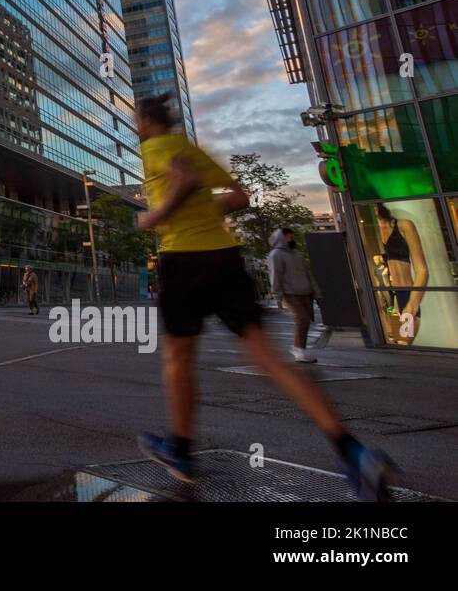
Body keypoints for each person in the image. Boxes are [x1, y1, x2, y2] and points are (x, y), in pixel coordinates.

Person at [132, 93, 395, 500]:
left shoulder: (155, 147)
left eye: (137, 121)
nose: (137, 128)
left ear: (147, 121)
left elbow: (182, 179)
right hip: (224, 256)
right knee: (268, 357)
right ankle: (353, 452)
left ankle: (181, 450)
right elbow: (238, 196)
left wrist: (156, 215)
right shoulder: (191, 147)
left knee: (177, 358)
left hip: (184, 260)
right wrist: (203, 211)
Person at [374, 202, 428, 345]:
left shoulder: (404, 225)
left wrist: (412, 305)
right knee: (398, 345)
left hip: (407, 295)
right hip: (393, 297)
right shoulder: (373, 230)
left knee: (404, 343)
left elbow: (422, 270)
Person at [268, 228, 318, 362]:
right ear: (281, 238)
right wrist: (277, 294)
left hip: (305, 292)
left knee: (306, 321)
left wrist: (315, 290)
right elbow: (275, 275)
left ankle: (300, 349)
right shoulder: (275, 255)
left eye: (292, 236)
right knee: (302, 319)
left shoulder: (297, 253)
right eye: (288, 237)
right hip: (289, 293)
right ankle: (298, 351)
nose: (291, 239)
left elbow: (307, 273)